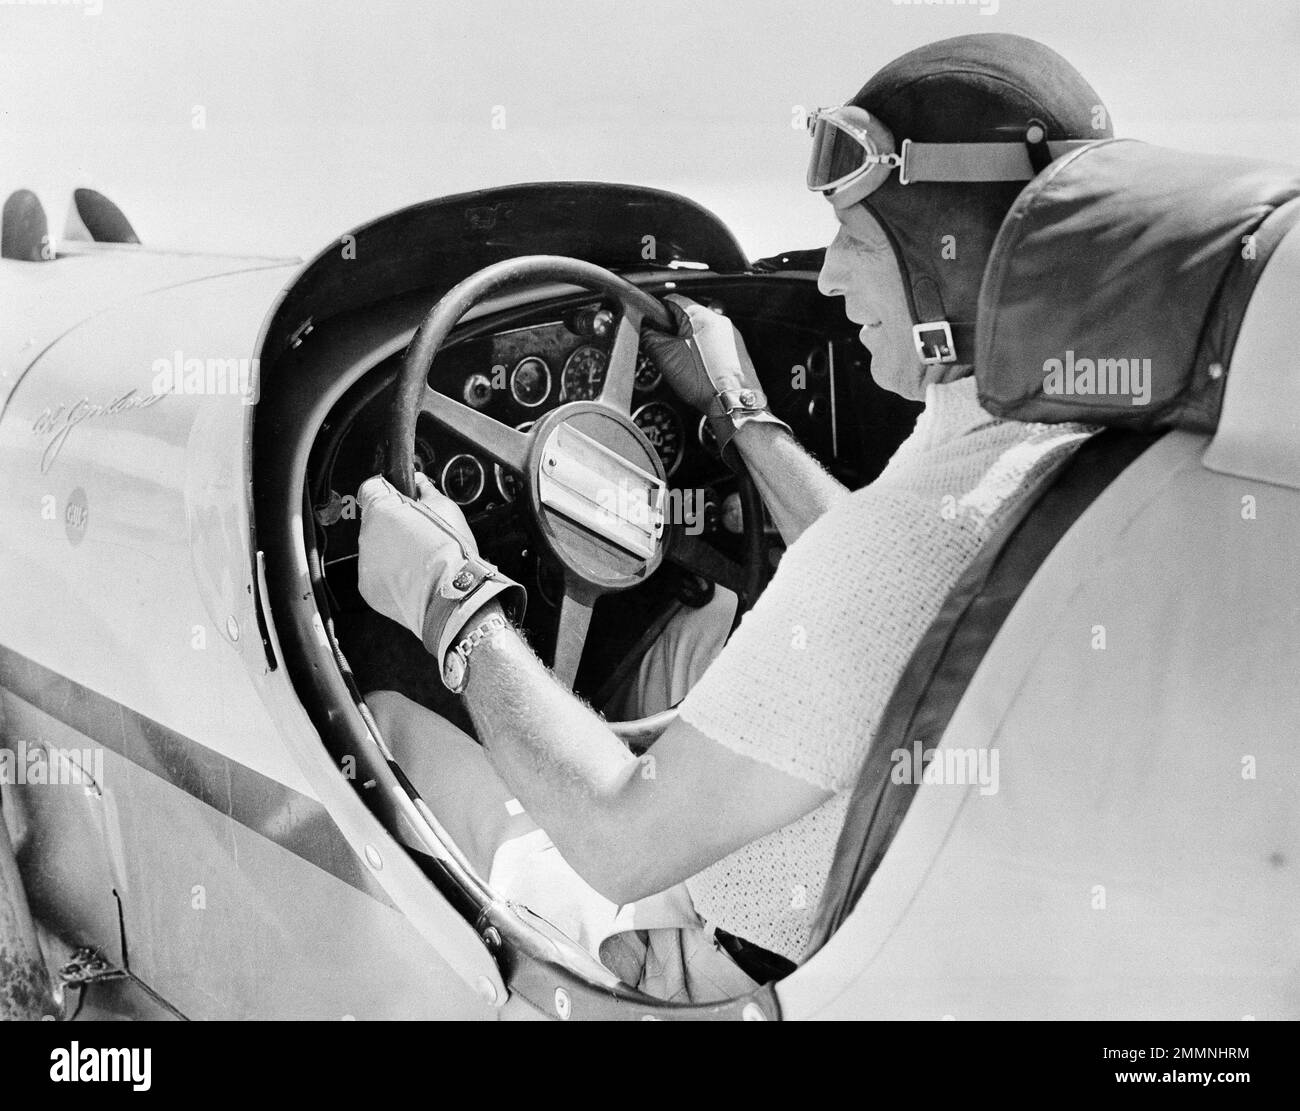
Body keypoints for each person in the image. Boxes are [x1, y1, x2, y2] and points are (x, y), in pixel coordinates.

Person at [356, 33, 1109, 1001]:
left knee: (386, 720)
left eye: (858, 241)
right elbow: (875, 568)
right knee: (698, 616)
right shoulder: (1029, 433)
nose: (832, 279)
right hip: (821, 872)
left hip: (710, 958)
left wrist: (451, 599)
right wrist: (743, 420)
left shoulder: (907, 547)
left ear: (945, 272)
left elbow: (619, 839)